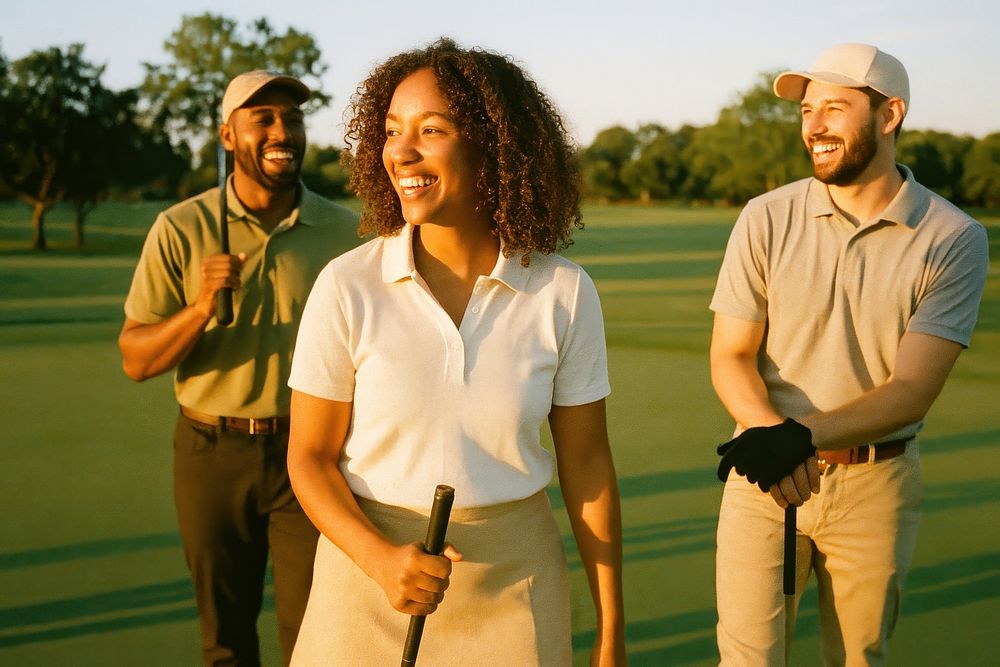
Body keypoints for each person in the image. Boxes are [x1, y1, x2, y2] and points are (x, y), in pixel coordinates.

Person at [286, 38, 625, 666]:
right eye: (390, 131)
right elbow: (308, 457)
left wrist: (611, 630)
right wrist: (381, 561)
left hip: (514, 587)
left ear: (494, 146)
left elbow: (588, 465)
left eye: (431, 129)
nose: (401, 152)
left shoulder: (563, 291)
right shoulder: (346, 283)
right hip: (363, 584)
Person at [709, 43, 989, 665]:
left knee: (859, 660)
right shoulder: (765, 216)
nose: (814, 126)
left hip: (874, 483)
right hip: (762, 474)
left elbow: (911, 391)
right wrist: (773, 439)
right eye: (808, 110)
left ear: (889, 115)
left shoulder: (953, 238)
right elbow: (731, 353)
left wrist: (796, 436)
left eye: (835, 108)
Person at [118, 70, 359, 665]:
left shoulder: (346, 231)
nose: (284, 131)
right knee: (225, 640)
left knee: (316, 632)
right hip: (211, 453)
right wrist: (200, 308)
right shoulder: (180, 227)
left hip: (313, 454)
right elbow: (136, 358)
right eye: (264, 118)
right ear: (228, 136)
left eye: (294, 118)